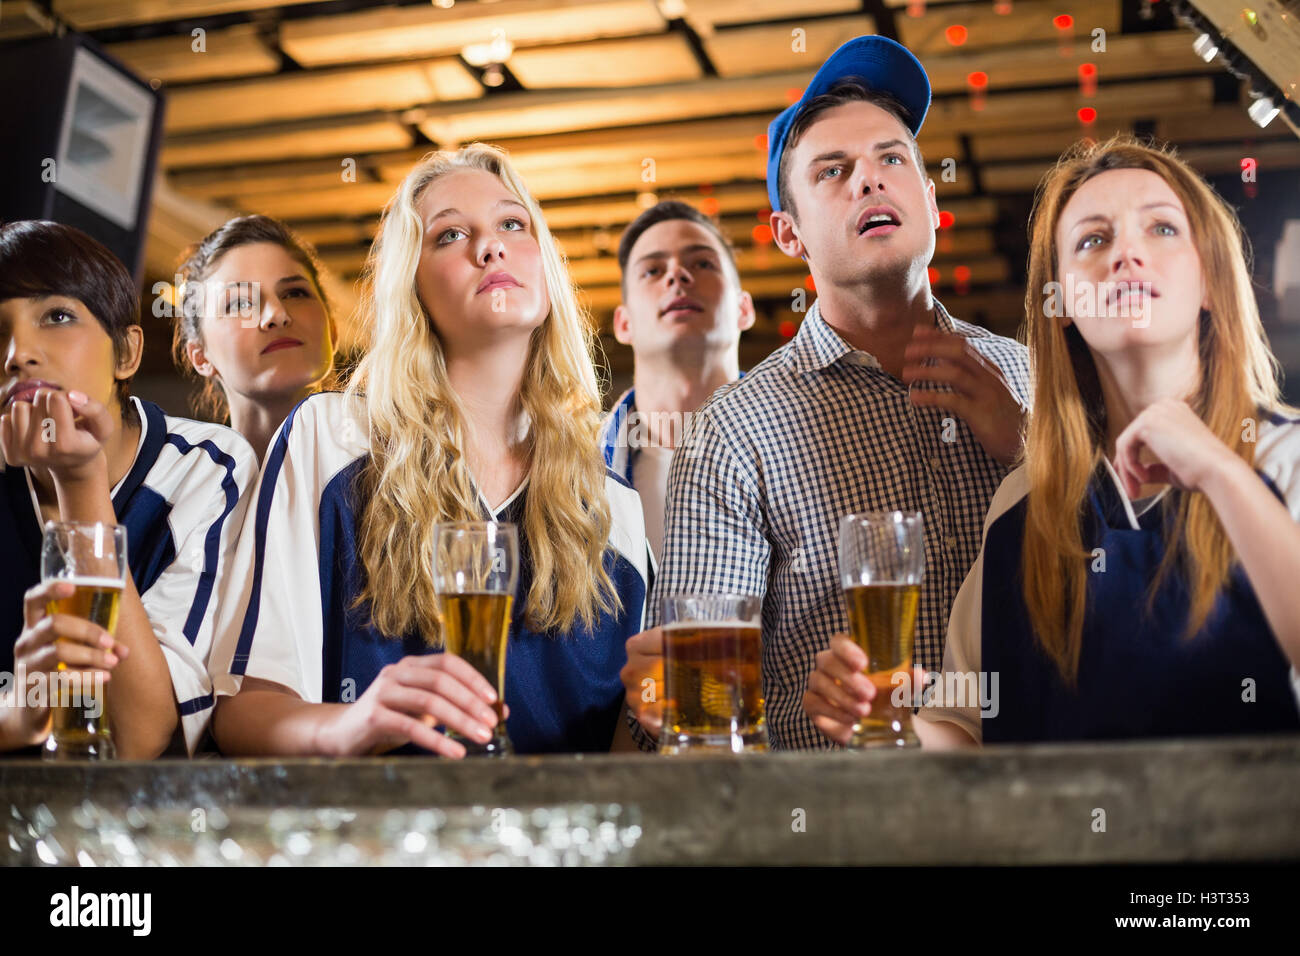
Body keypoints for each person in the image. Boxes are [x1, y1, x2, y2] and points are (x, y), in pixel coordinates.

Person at [804, 136, 1300, 747]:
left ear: (1208, 281)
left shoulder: (1284, 460)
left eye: (1162, 230)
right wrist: (888, 719)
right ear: (1061, 302)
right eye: (1093, 240)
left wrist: (1222, 473)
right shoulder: (1022, 499)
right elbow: (967, 737)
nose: (1127, 255)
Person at [620, 35, 1031, 751]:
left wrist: (1032, 447)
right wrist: (705, 693)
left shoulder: (1033, 378)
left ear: (931, 202)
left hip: (1045, 817)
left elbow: (1133, 586)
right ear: (789, 233)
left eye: (892, 159)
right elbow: (700, 717)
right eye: (832, 171)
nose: (869, 181)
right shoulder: (735, 431)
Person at [210, 143, 652, 758]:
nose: (489, 247)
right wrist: (351, 725)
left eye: (512, 224)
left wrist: (655, 721)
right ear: (409, 286)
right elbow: (242, 715)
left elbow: (621, 759)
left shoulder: (614, 507)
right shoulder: (330, 438)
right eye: (448, 236)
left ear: (546, 266)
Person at [0, 220, 258, 756]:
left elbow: (138, 737)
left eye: (57, 316)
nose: (17, 353)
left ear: (127, 353)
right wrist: (12, 719)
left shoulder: (208, 470)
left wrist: (79, 481)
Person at [599, 200, 754, 560]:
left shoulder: (806, 448)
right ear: (624, 323)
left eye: (702, 263)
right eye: (652, 271)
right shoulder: (570, 477)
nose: (677, 276)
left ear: (743, 309)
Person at [173, 215, 338, 461]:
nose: (278, 314)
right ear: (201, 357)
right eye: (240, 303)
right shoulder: (181, 496)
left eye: (294, 293)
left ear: (332, 331)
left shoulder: (401, 476)